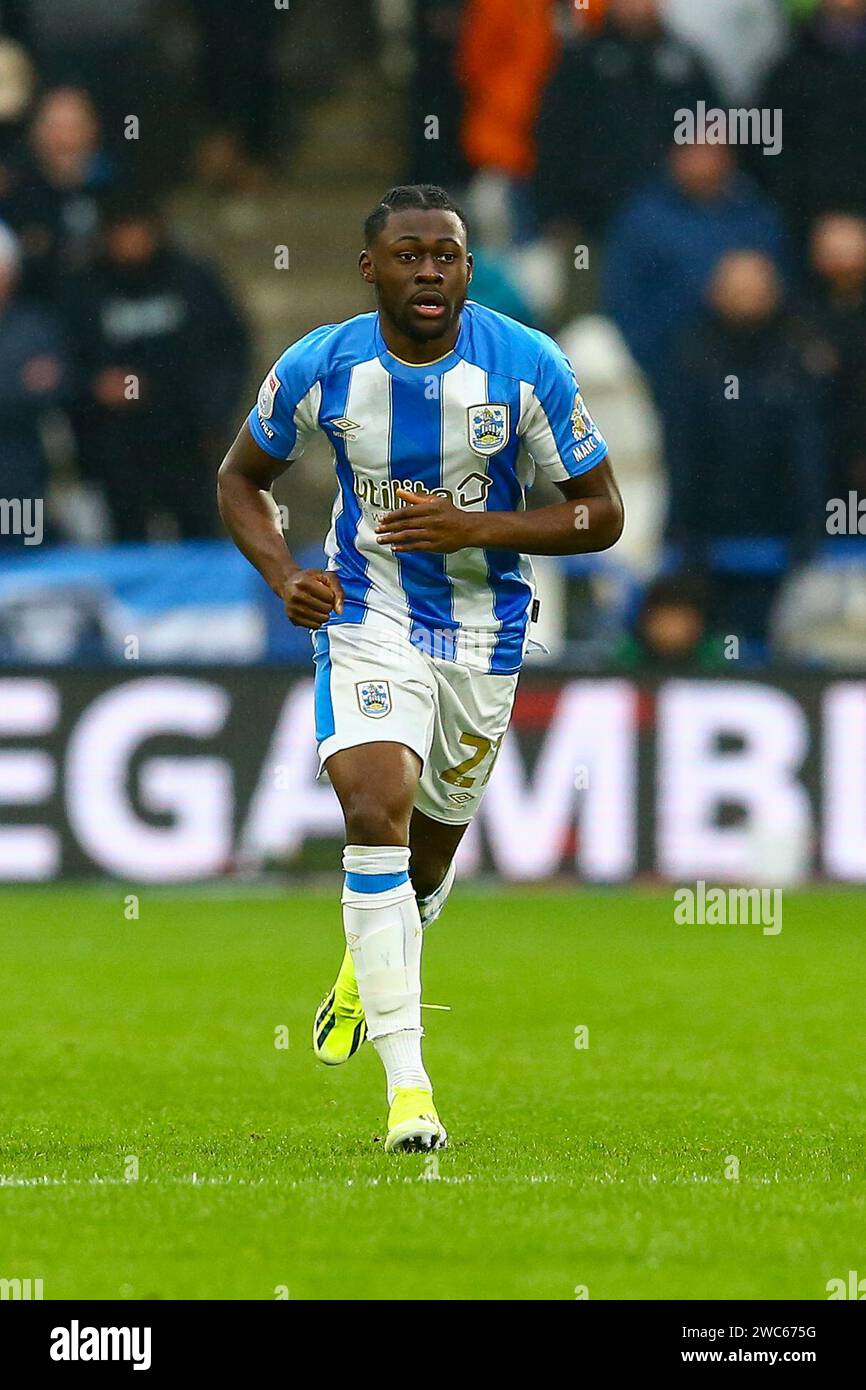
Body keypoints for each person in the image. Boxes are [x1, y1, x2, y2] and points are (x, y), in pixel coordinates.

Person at [217, 184, 623, 1153]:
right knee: (371, 805)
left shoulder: (527, 366)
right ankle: (410, 1093)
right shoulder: (322, 365)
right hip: (366, 613)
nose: (428, 270)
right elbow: (240, 478)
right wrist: (285, 574)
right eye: (407, 255)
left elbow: (599, 511)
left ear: (467, 269)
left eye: (444, 254)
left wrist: (474, 525)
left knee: (425, 863)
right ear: (371, 270)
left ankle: (369, 965)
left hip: (484, 633)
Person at [64, 190, 249, 539]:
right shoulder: (82, 287)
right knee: (127, 537)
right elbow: (64, 360)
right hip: (116, 443)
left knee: (198, 532)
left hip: (186, 437)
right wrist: (93, 385)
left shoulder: (193, 279)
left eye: (138, 230)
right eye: (121, 232)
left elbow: (229, 347)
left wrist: (214, 416)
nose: (130, 241)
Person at [664, 250, 826, 639]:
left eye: (755, 292)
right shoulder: (692, 359)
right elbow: (682, 450)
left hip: (782, 535)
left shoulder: (795, 359)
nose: (746, 303)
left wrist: (808, 529)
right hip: (705, 537)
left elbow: (808, 452)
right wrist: (686, 529)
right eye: (736, 292)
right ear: (715, 294)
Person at [603, 138, 787, 405]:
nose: (703, 160)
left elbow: (785, 293)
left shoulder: (757, 215)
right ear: (674, 155)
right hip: (668, 371)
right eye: (693, 149)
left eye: (714, 151)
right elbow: (623, 303)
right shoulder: (643, 220)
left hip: (756, 368)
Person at [0, 219, 69, 545]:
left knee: (22, 553)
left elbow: (55, 387)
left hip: (20, 468)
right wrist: (17, 385)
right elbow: (30, 386)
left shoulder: (34, 325)